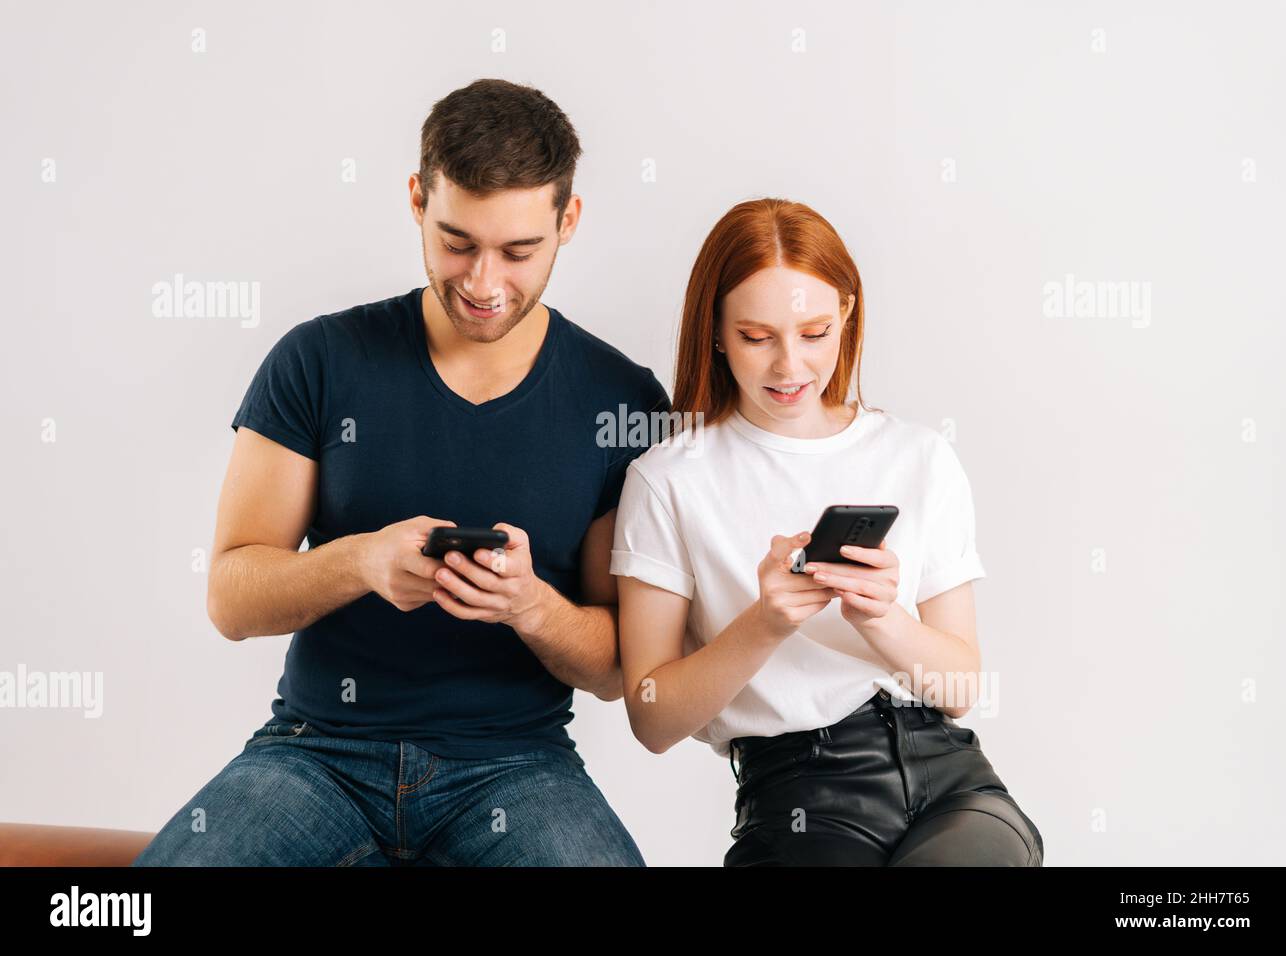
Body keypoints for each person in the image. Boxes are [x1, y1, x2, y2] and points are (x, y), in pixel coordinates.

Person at [133, 79, 667, 867]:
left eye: (519, 251)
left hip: (516, 766)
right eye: (458, 242)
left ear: (568, 221)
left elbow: (620, 666)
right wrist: (361, 560)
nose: (485, 284)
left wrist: (528, 605)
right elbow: (231, 599)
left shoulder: (621, 401)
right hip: (316, 755)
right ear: (417, 199)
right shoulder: (319, 360)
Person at [610, 197, 1044, 866]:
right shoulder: (668, 479)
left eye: (813, 332)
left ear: (846, 312)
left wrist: (881, 619)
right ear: (717, 332)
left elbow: (959, 688)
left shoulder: (919, 456)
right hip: (797, 789)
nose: (790, 366)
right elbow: (653, 719)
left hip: (951, 779)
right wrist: (764, 623)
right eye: (757, 337)